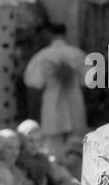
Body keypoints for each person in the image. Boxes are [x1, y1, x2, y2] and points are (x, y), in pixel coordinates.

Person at [22, 25, 88, 159]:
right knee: (76, 141)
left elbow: (33, 81)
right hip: (73, 99)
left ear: (51, 35)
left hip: (52, 99)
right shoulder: (77, 54)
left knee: (53, 144)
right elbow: (90, 79)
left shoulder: (43, 55)